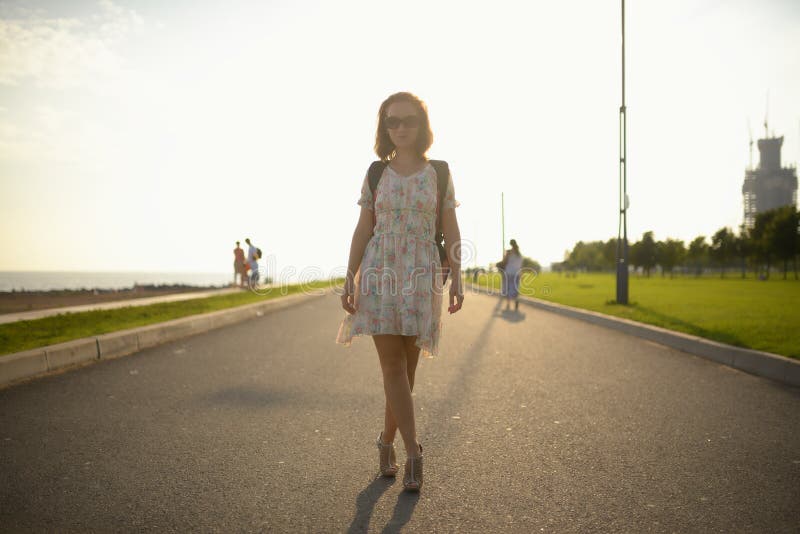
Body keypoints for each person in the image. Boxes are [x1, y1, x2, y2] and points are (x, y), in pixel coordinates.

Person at [336, 92, 464, 492]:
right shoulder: (376, 173)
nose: (401, 128)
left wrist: (458, 276)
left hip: (423, 275)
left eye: (408, 120)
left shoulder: (439, 172)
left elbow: (451, 227)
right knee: (391, 368)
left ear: (422, 125)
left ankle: (385, 441)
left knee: (406, 374)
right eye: (392, 121)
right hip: (380, 274)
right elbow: (363, 228)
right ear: (384, 127)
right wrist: (349, 275)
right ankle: (413, 455)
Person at [500, 239, 524, 311]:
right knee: (515, 288)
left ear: (510, 244)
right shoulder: (519, 254)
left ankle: (508, 304)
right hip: (517, 273)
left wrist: (504, 254)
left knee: (508, 288)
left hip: (509, 273)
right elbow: (520, 265)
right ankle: (516, 301)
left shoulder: (509, 252)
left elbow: (504, 262)